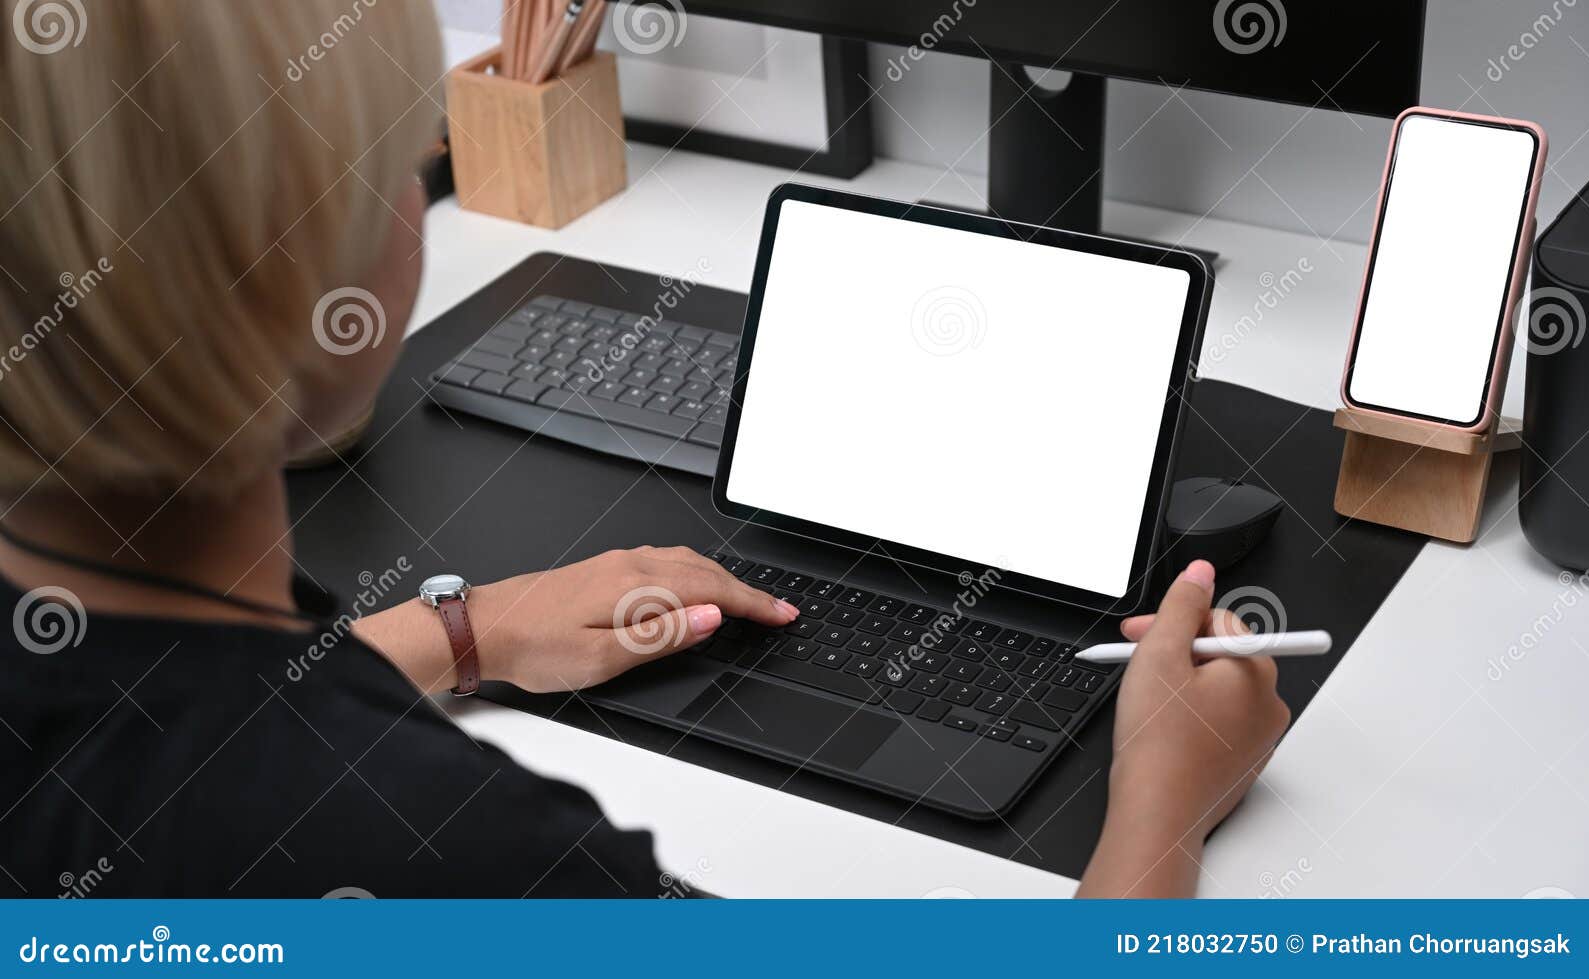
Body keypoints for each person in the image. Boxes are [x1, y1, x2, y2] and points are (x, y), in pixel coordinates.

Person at [0, 1, 1286, 898]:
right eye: (404, 159)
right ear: (302, 270)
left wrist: (471, 628)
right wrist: (1159, 808)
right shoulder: (472, 856)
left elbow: (151, 731)